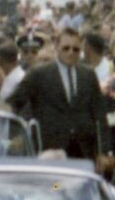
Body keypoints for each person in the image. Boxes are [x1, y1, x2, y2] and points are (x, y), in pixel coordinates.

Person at [7, 27, 107, 161]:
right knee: (56, 183)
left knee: (80, 183)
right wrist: (17, 134)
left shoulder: (88, 75)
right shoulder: (39, 74)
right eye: (66, 48)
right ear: (56, 47)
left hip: (84, 151)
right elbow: (12, 104)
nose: (71, 52)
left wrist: (103, 151)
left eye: (75, 49)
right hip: (52, 150)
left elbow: (99, 114)